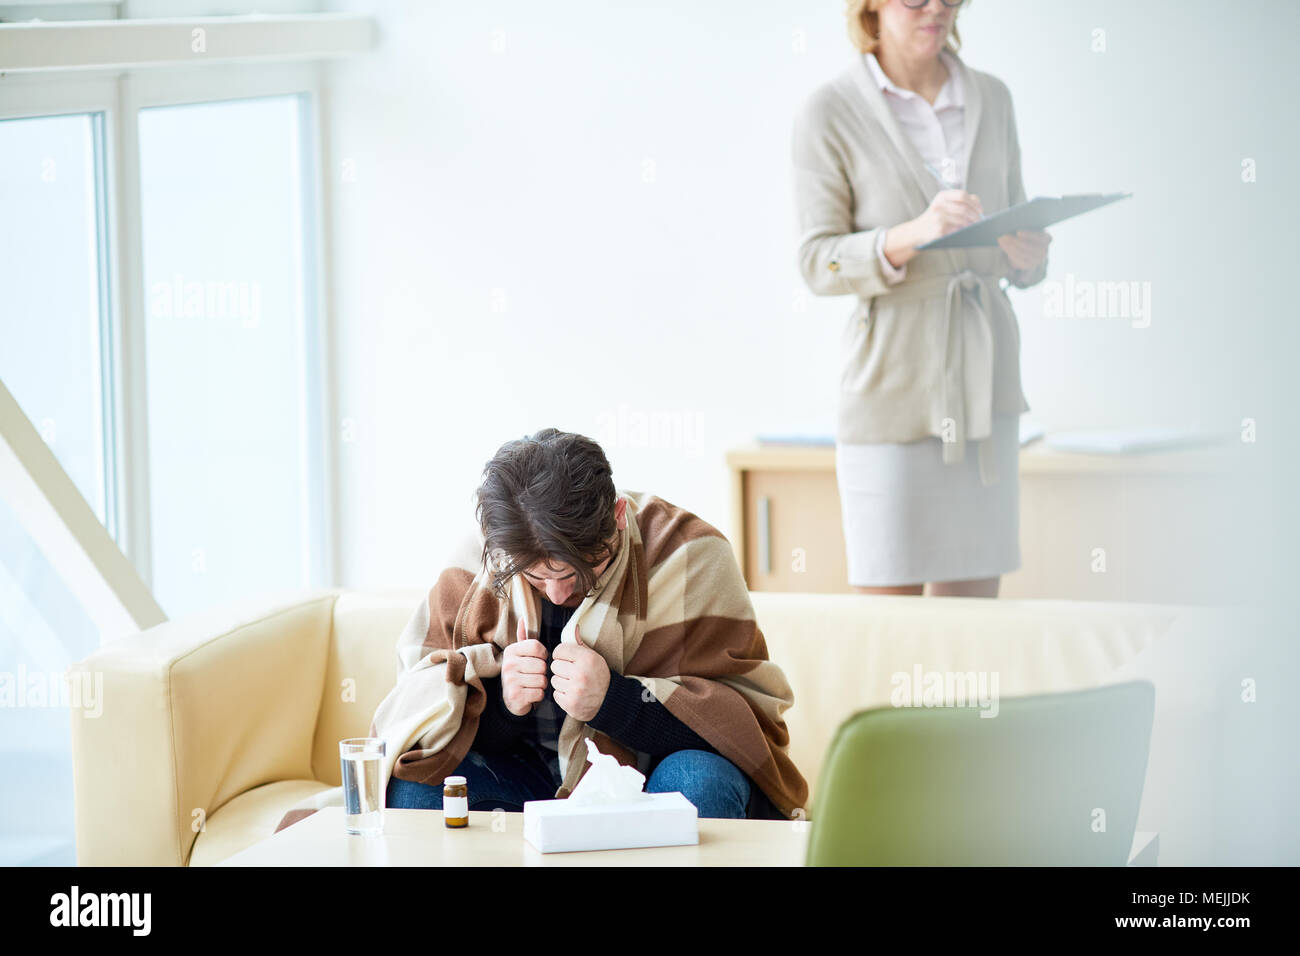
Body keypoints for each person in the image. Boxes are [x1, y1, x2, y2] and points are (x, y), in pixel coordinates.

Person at [374, 428, 808, 821]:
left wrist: (616, 701)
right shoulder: (488, 559)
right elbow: (424, 713)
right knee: (418, 787)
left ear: (618, 516)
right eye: (538, 578)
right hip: (527, 781)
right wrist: (503, 706)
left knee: (701, 782)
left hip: (648, 781)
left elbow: (741, 725)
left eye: (577, 573)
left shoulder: (690, 553)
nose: (559, 594)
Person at [792, 0, 1052, 597]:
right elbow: (818, 261)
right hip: (892, 390)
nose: (936, 8)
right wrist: (914, 233)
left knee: (974, 625)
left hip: (985, 389)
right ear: (871, 7)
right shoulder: (828, 110)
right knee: (892, 625)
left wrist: (1027, 257)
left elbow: (1014, 240)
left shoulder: (994, 97)